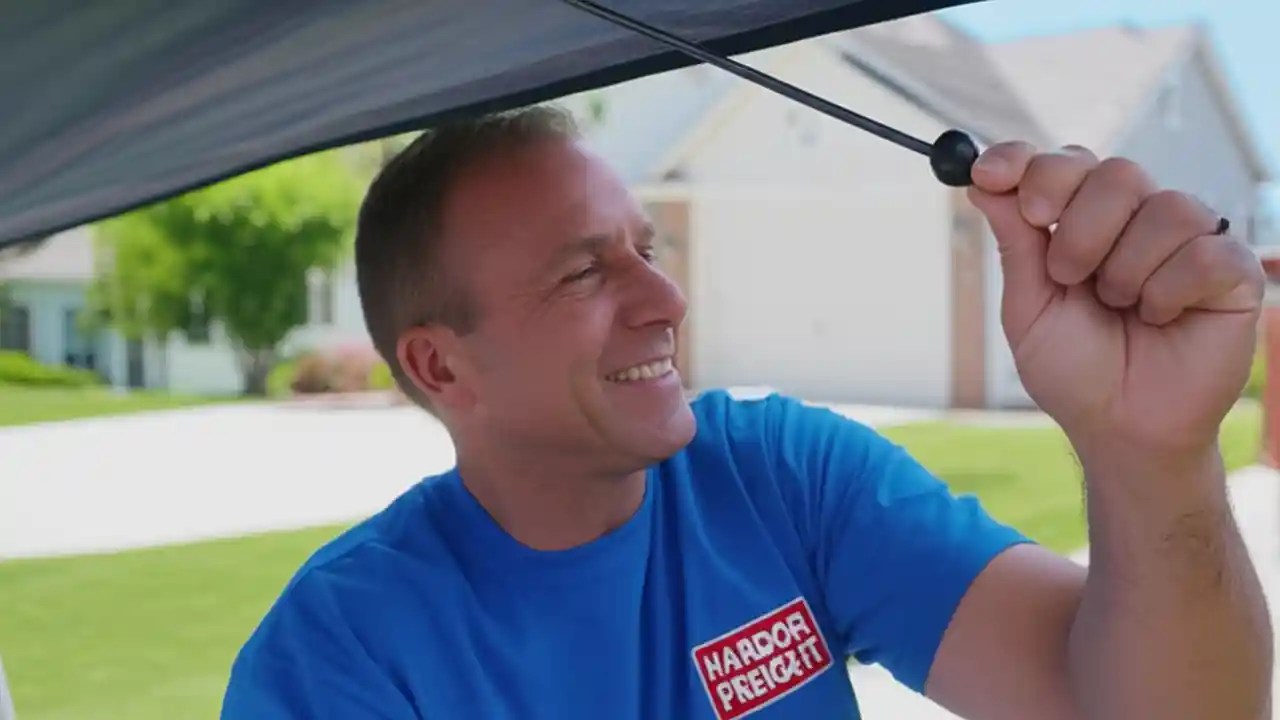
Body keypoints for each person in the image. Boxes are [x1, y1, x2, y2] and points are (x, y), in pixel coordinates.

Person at [220, 105, 1272, 719]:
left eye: (646, 249)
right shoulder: (337, 655)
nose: (665, 301)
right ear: (441, 369)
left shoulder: (777, 479)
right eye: (585, 275)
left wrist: (1151, 455)